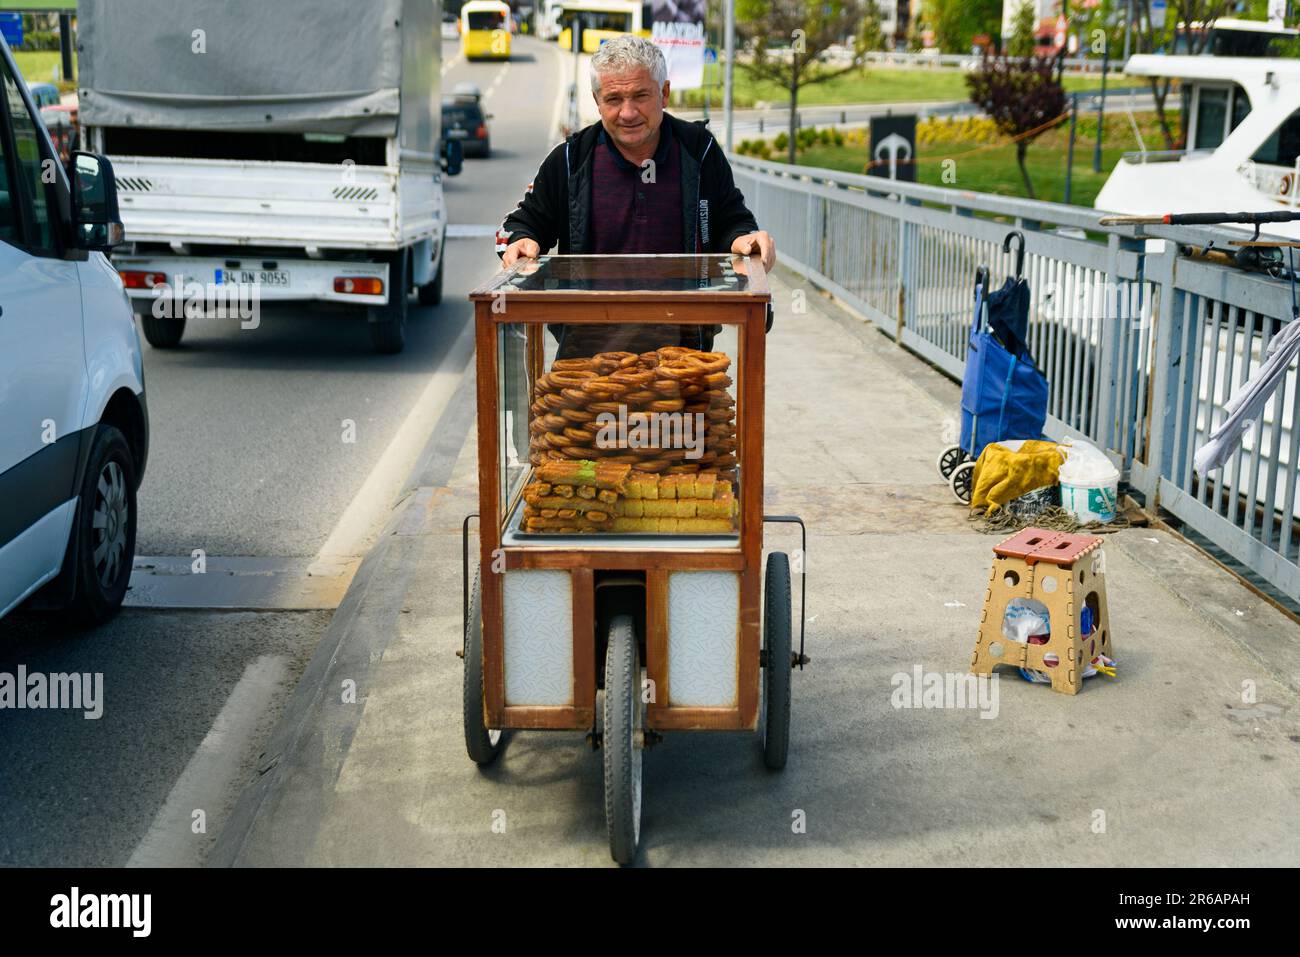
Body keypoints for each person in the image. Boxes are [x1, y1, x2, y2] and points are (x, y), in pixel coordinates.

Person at [498, 34, 774, 357]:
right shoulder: (570, 161)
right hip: (586, 364)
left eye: (640, 95)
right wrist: (521, 238)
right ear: (597, 100)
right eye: (614, 99)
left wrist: (744, 239)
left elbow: (731, 218)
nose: (628, 113)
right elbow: (524, 223)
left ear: (664, 93)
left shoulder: (700, 151)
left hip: (684, 362)